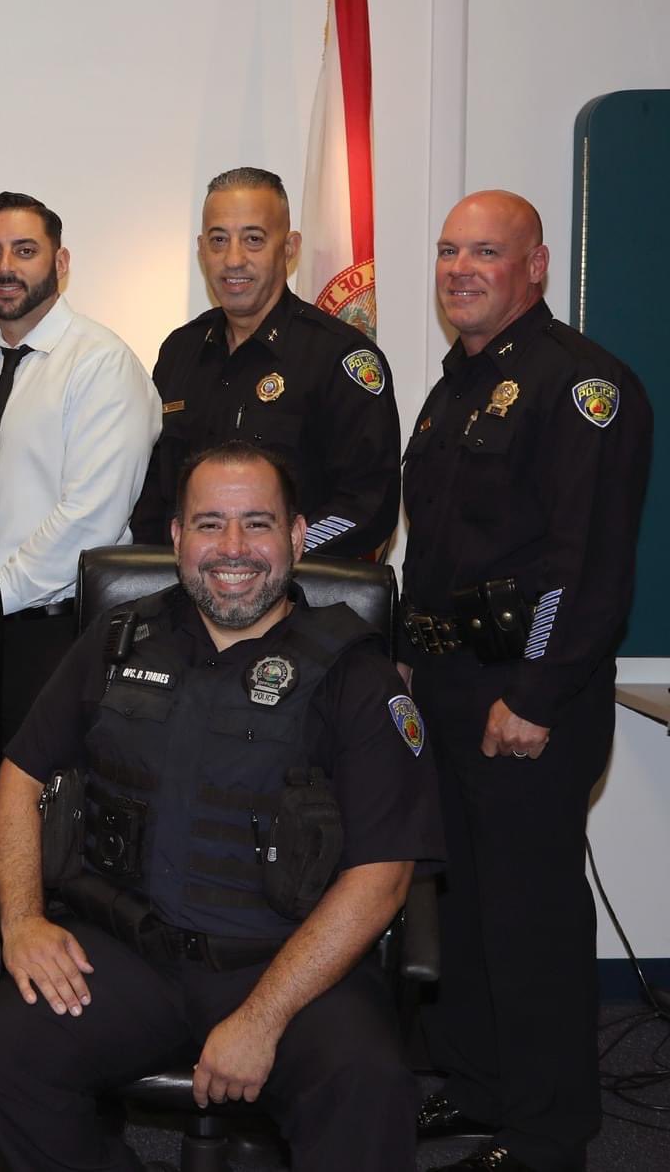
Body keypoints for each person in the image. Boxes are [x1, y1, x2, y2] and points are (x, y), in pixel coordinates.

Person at [0, 442, 443, 1171]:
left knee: (367, 1087)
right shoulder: (116, 642)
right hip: (127, 954)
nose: (234, 548)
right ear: (177, 539)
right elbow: (20, 778)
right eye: (210, 524)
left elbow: (383, 875)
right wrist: (22, 920)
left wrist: (262, 1016)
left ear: (298, 536)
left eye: (258, 523)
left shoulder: (357, 676)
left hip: (285, 963)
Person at [401, 191, 653, 1172]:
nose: (460, 268)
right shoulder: (453, 387)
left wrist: (534, 696)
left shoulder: (580, 387)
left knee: (528, 920)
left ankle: (548, 1137)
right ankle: (477, 1092)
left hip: (520, 695)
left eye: (486, 252)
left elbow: (579, 563)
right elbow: (432, 551)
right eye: (447, 251)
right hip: (445, 685)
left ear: (534, 266)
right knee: (462, 906)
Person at [0, 191, 161, 745]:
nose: (5, 267)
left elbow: (90, 517)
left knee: (37, 816)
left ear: (61, 262)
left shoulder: (102, 365)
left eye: (24, 250)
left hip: (54, 635)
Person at [129, 167, 399, 558]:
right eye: (219, 240)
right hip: (186, 600)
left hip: (299, 603)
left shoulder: (337, 356)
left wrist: (272, 557)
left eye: (253, 240)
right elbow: (154, 494)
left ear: (289, 249)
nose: (233, 259)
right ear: (201, 249)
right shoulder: (180, 352)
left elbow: (368, 504)